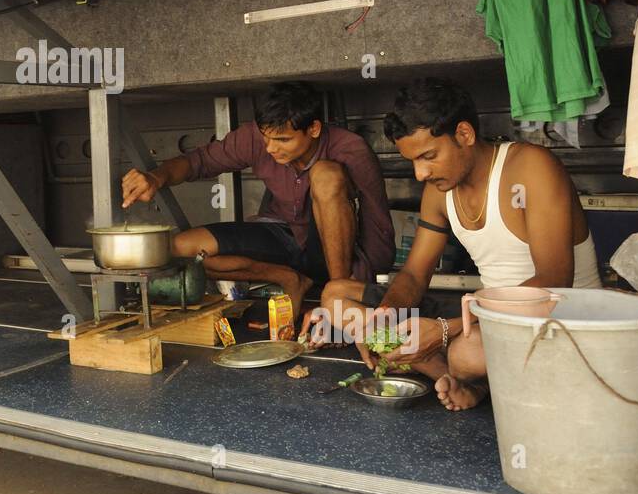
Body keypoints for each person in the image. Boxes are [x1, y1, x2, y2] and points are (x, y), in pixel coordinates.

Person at [303, 77, 601, 411]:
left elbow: (553, 282)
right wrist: (385, 318)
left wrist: (447, 330)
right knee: (339, 302)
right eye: (413, 161)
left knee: (466, 352)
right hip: (487, 317)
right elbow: (415, 275)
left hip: (562, 321)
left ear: (464, 134)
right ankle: (463, 381)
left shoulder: (531, 168)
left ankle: (464, 374)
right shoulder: (438, 193)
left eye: (428, 156)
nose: (419, 173)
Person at [120, 81, 394, 327]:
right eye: (266, 139)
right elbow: (197, 162)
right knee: (181, 249)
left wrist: (363, 285)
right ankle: (290, 280)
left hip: (333, 250)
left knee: (325, 175)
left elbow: (376, 224)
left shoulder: (351, 149)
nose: (271, 148)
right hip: (281, 233)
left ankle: (338, 295)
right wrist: (155, 178)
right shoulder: (255, 138)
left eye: (283, 140)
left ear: (313, 128)